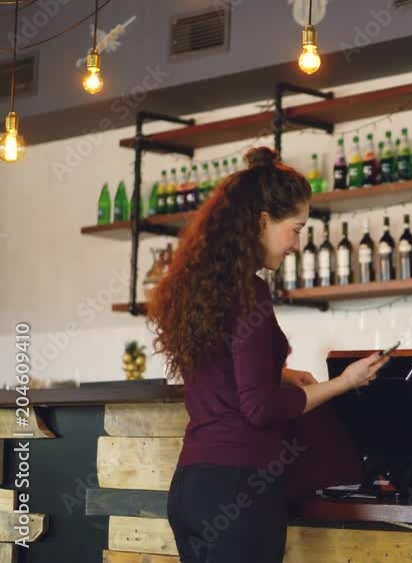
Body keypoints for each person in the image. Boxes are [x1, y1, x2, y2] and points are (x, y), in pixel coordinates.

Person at [148, 147, 389, 563]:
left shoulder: (200, 290)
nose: (297, 244)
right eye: (295, 228)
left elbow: (221, 373)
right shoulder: (250, 293)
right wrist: (345, 382)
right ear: (261, 222)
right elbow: (259, 409)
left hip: (192, 486)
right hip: (238, 490)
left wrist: (280, 373)